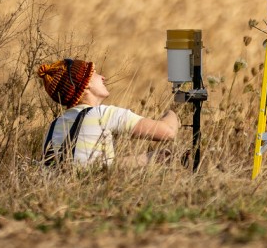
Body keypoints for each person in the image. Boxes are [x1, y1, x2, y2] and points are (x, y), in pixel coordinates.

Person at [37, 58, 179, 167]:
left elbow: (92, 168)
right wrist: (173, 112)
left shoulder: (55, 125)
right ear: (86, 85)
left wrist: (152, 158)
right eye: (95, 73)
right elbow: (168, 132)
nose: (102, 77)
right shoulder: (102, 114)